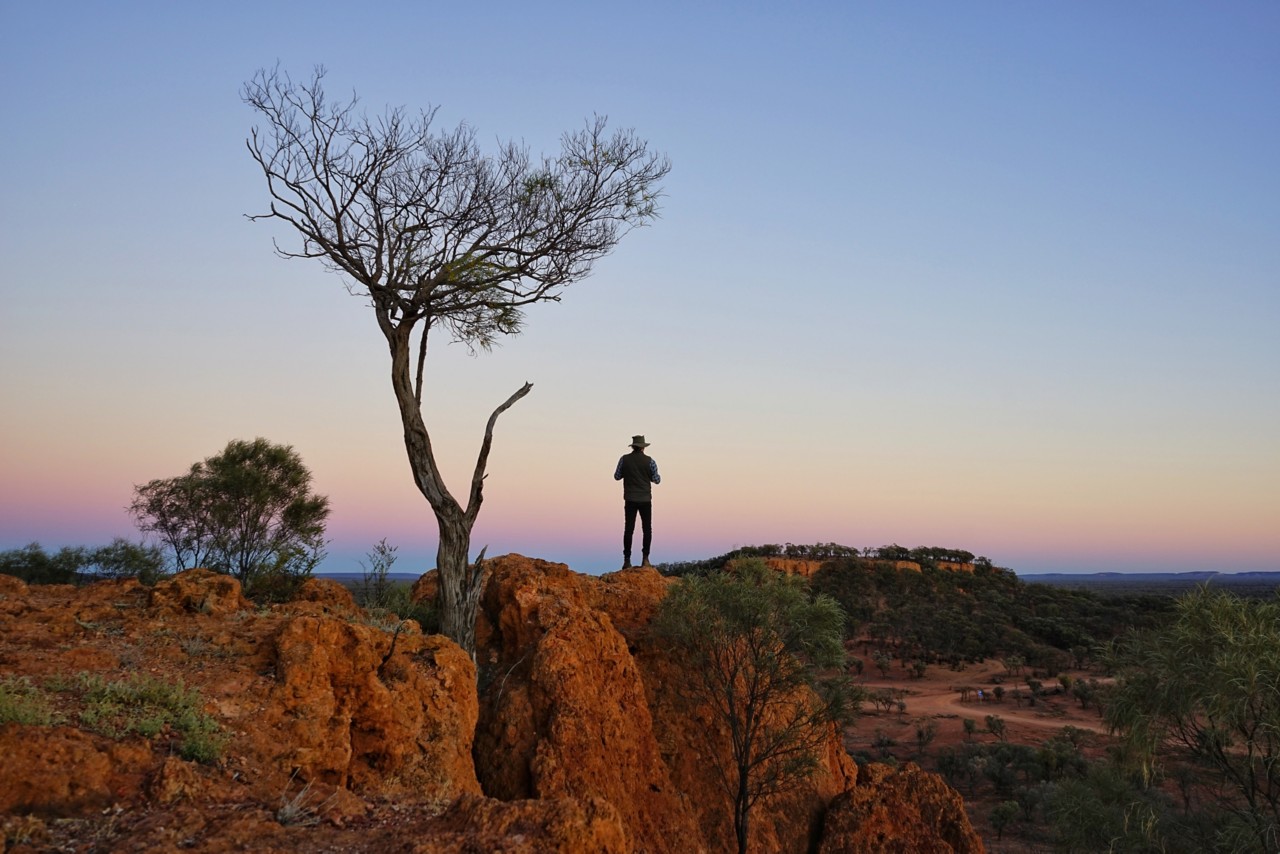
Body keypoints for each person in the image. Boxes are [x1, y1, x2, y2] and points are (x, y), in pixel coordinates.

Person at [614, 435, 660, 568]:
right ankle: (645, 559)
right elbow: (656, 480)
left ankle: (626, 560)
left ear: (633, 447)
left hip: (630, 499)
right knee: (647, 529)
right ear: (643, 448)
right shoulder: (650, 461)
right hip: (645, 499)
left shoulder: (624, 459)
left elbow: (617, 476)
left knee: (629, 529)